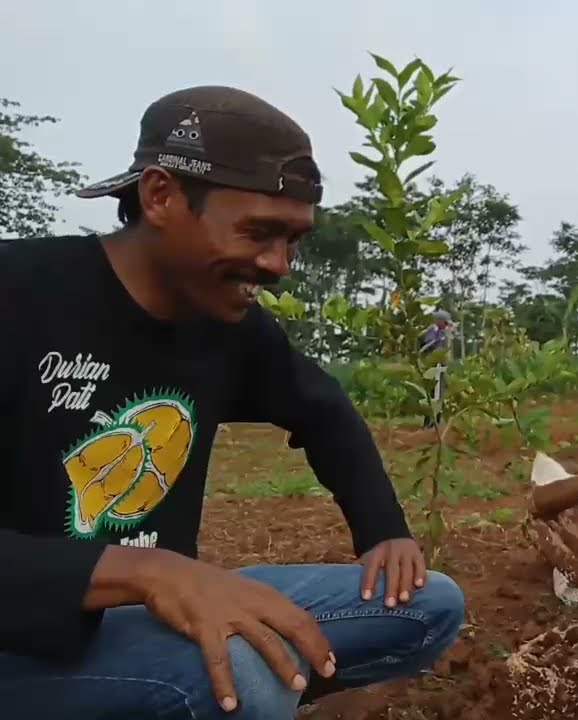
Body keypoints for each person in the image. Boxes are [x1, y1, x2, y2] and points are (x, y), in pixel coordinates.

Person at [0, 86, 465, 719]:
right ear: (160, 196)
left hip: (143, 618)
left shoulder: (226, 327)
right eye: (258, 232)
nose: (278, 264)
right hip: (21, 642)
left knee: (426, 604)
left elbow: (322, 409)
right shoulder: (19, 294)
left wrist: (382, 528)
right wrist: (146, 572)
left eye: (293, 239)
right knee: (244, 674)